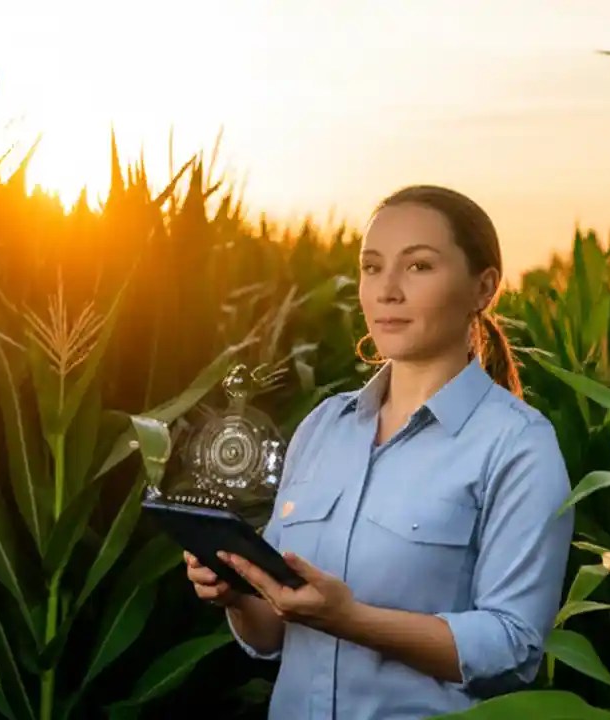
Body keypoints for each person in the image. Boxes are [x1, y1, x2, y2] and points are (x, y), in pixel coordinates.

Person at [184, 184, 575, 719]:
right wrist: (237, 593)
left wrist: (351, 619)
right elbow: (272, 634)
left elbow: (513, 647)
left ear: (483, 288)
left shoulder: (518, 445)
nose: (387, 290)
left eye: (418, 267)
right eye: (371, 267)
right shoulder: (324, 427)